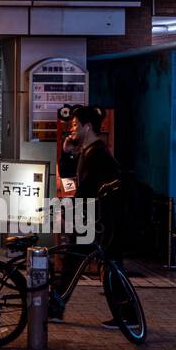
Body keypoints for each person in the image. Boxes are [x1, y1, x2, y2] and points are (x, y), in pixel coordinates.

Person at [49, 104, 121, 328]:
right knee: (80, 262)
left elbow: (86, 190)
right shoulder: (88, 151)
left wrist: (71, 214)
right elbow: (71, 179)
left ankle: (126, 315)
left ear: (87, 127)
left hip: (100, 220)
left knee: (104, 265)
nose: (71, 129)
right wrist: (67, 152)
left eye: (75, 125)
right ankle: (56, 307)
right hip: (95, 218)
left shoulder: (96, 153)